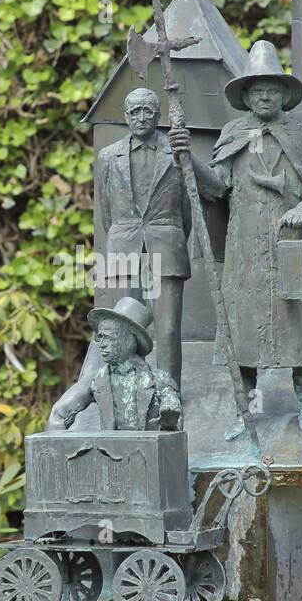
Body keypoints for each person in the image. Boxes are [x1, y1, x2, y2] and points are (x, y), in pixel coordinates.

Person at [176, 40, 302, 442]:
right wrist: (189, 159)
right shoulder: (233, 133)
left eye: (272, 89)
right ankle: (243, 415)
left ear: (284, 94)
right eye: (257, 90)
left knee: (299, 336)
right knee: (242, 338)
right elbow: (216, 189)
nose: (265, 96)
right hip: (245, 252)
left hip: (288, 248)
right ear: (245, 95)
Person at [95, 87, 192, 384]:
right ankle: (129, 388)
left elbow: (187, 209)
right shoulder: (108, 157)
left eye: (148, 110)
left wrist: (168, 236)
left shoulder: (176, 154)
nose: (141, 117)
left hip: (166, 246)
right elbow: (107, 208)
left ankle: (169, 392)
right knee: (124, 325)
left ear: (158, 115)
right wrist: (124, 236)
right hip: (124, 246)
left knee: (168, 328)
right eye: (134, 111)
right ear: (125, 116)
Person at [47, 297, 183, 432]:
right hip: (109, 453)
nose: (102, 344)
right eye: (100, 338)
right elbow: (58, 415)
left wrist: (169, 424)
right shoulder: (95, 380)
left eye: (109, 337)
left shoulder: (160, 380)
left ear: (130, 340)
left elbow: (175, 424)